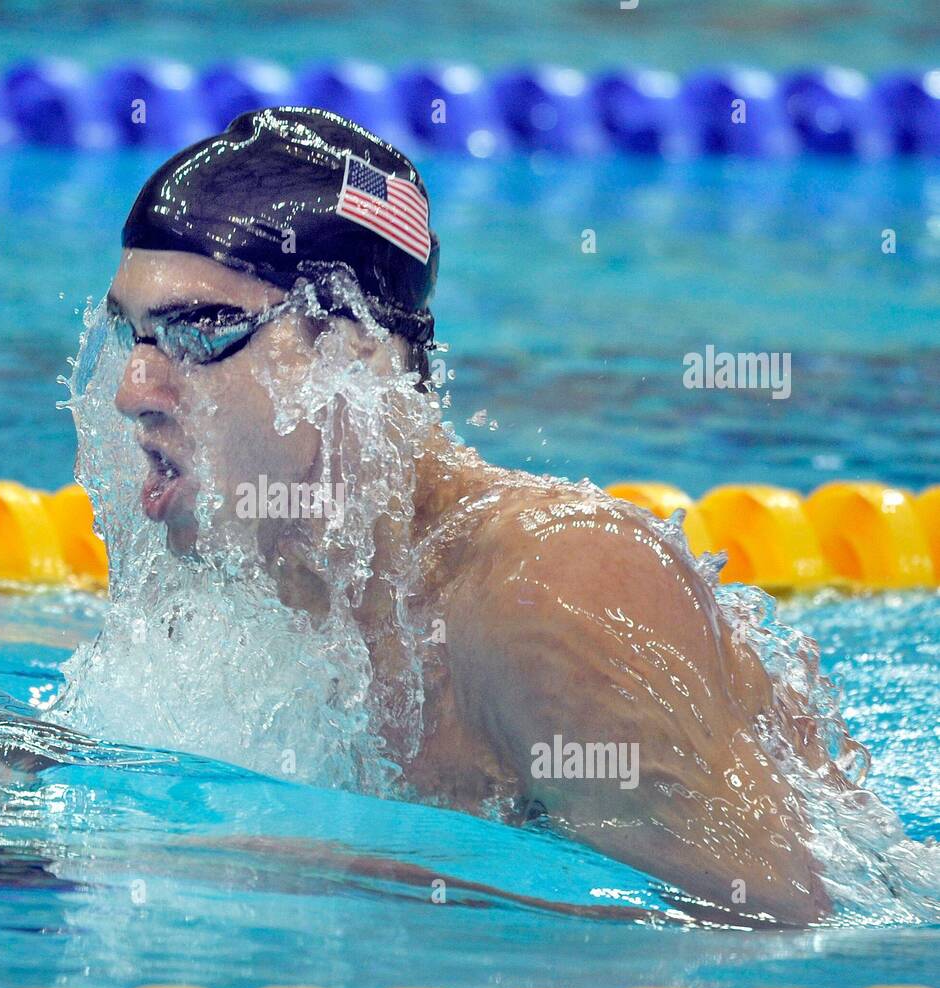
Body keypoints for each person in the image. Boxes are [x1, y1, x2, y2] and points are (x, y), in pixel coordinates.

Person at [67, 106, 863, 925]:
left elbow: (769, 915)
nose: (133, 391)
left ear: (354, 351)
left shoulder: (553, 588)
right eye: (133, 334)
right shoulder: (246, 573)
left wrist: (319, 863)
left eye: (198, 330)